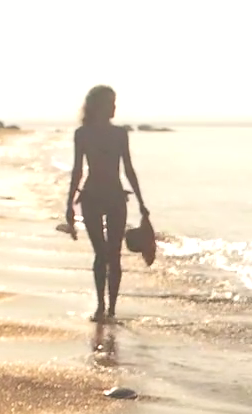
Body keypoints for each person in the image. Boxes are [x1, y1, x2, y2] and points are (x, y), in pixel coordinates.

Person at [64, 85, 148, 322]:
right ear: (98, 106)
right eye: (110, 103)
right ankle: (101, 307)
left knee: (114, 253)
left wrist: (142, 203)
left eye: (114, 102)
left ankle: (112, 309)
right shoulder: (82, 134)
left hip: (115, 197)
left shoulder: (120, 134)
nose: (114, 107)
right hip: (91, 197)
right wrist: (69, 205)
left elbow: (128, 169)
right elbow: (77, 170)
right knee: (101, 253)